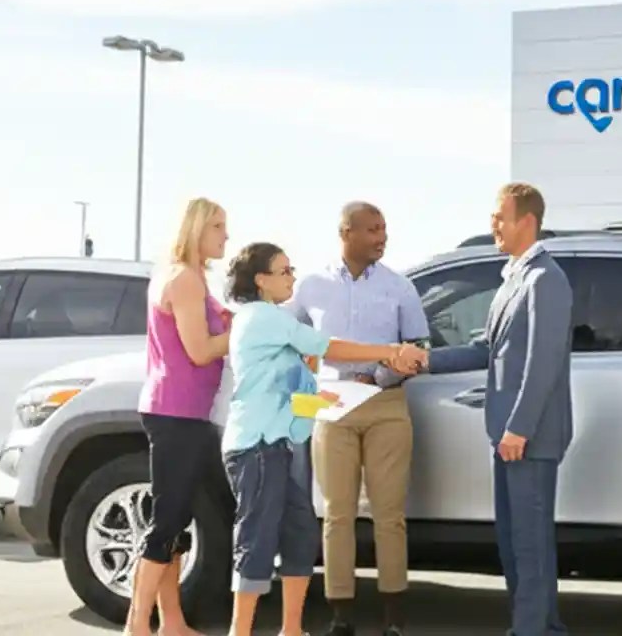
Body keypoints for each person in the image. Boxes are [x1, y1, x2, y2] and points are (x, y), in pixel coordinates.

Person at [221, 241, 427, 636]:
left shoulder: (272, 319)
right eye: (284, 271)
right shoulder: (261, 317)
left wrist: (318, 399)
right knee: (257, 539)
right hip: (256, 448)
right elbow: (325, 344)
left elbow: (281, 386)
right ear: (261, 280)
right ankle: (239, 631)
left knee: (301, 534)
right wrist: (387, 351)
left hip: (278, 446)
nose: (292, 277)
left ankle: (292, 629)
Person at [412, 183, 573, 636]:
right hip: (507, 434)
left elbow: (542, 362)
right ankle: (538, 628)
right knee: (514, 543)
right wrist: (424, 359)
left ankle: (531, 630)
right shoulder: (514, 279)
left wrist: (519, 427)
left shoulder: (546, 279)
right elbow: (488, 348)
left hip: (529, 436)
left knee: (530, 545)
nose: (493, 226)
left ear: (527, 221)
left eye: (499, 217)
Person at [285, 201, 429, 636]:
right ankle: (341, 617)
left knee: (389, 514)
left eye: (384, 228)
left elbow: (418, 346)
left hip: (386, 404)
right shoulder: (311, 286)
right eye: (372, 229)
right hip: (332, 406)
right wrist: (304, 391)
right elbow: (287, 340)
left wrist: (378, 374)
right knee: (337, 514)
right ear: (346, 231)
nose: (382, 237)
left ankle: (394, 620)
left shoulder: (400, 287)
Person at [126, 197, 232, 636]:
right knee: (167, 521)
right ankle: (137, 624)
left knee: (177, 518)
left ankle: (173, 623)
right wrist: (247, 330)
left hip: (182, 411)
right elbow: (201, 349)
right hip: (177, 412)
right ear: (196, 230)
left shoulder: (182, 276)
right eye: (218, 227)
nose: (226, 235)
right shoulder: (185, 279)